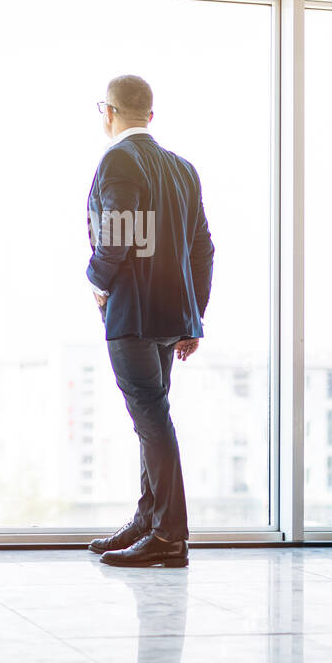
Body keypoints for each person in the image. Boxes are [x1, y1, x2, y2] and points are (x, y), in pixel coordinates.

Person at [84, 74, 214, 568]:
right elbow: (202, 248)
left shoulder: (119, 159)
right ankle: (148, 518)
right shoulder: (183, 169)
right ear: (150, 117)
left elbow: (118, 229)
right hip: (170, 312)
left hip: (133, 312)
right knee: (151, 417)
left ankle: (169, 537)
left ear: (109, 112)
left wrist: (97, 278)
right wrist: (193, 315)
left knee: (152, 418)